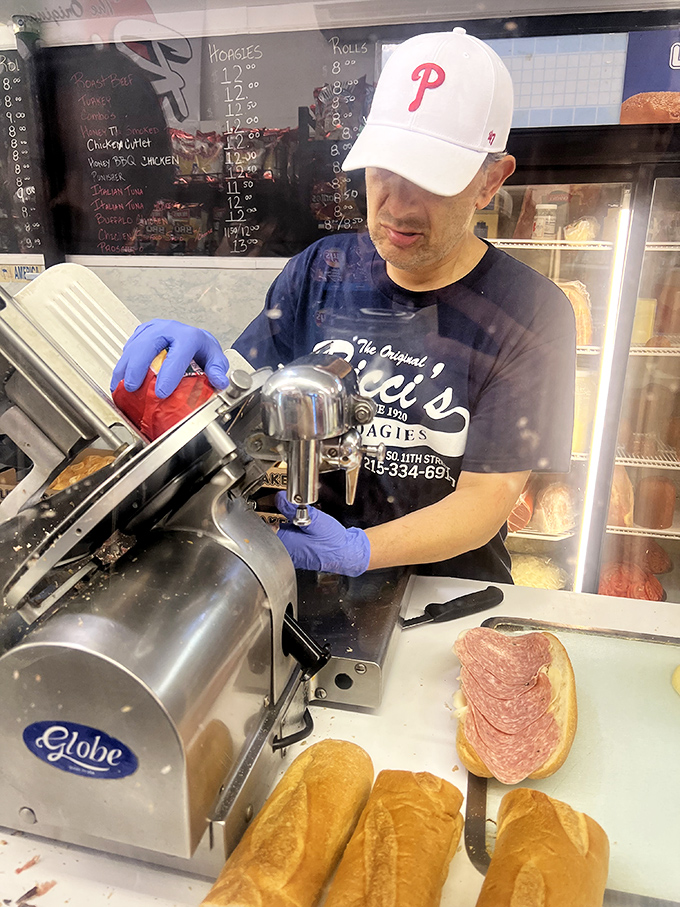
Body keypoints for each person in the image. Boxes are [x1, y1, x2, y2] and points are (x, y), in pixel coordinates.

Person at [112, 27, 576, 584]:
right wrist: (201, 375)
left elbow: (488, 497)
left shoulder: (528, 310)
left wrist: (357, 551)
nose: (399, 206)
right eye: (384, 170)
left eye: (433, 181)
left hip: (446, 592)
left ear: (489, 182)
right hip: (304, 573)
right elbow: (247, 399)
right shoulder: (323, 269)